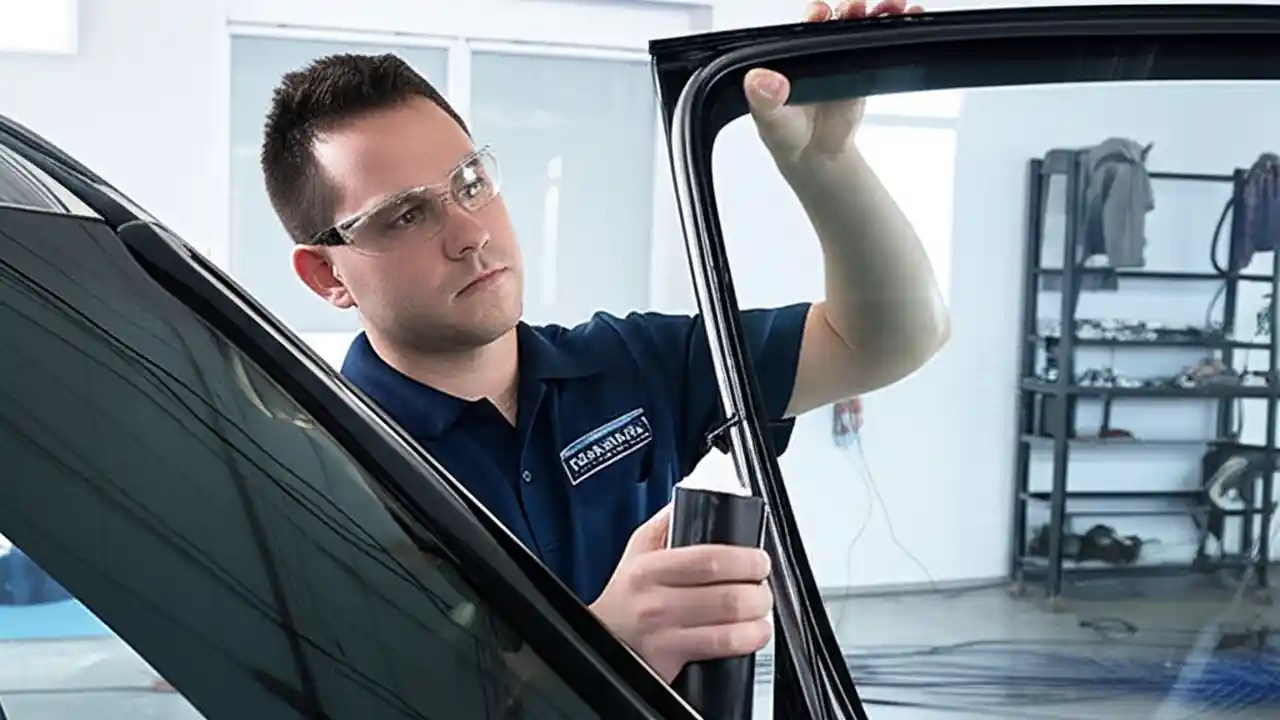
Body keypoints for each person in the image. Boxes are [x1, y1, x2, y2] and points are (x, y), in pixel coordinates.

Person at [260, 0, 946, 683]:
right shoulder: (318, 468)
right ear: (326, 274)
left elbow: (888, 338)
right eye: (406, 215)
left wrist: (826, 164)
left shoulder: (631, 365)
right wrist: (603, 645)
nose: (470, 232)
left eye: (471, 182)